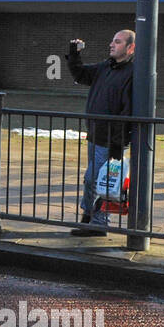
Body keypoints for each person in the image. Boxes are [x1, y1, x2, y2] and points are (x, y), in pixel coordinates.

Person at [67, 31, 135, 237]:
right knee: (95, 180)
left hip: (110, 139)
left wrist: (118, 142)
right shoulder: (105, 67)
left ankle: (97, 222)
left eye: (117, 41)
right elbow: (80, 74)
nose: (111, 44)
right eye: (112, 40)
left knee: (96, 180)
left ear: (130, 48)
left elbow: (127, 110)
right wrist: (74, 53)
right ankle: (91, 219)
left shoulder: (132, 73)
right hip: (95, 134)